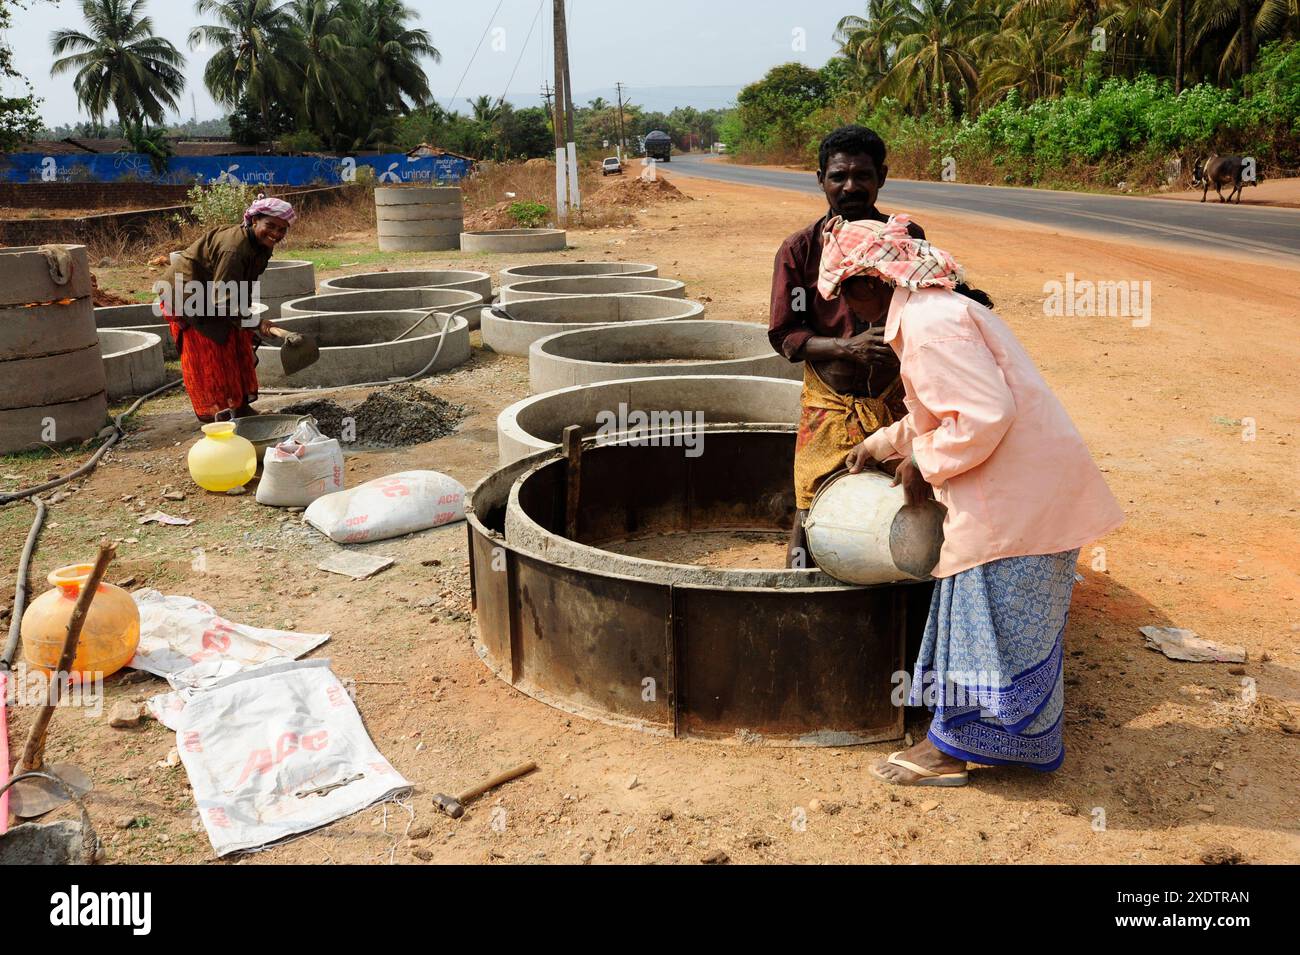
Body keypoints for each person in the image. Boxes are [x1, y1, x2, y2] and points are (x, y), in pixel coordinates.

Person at [818, 213, 1124, 786]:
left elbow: (983, 416)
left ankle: (950, 753)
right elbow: (946, 408)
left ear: (871, 282)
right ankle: (1000, 743)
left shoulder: (931, 325)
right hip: (1027, 495)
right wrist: (881, 442)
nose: (850, 309)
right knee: (1003, 626)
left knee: (988, 626)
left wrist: (922, 463)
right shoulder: (934, 313)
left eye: (848, 293)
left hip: (1014, 504)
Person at [769, 125, 989, 568]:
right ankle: (797, 586)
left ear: (882, 176)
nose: (850, 186)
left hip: (896, 396)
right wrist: (844, 348)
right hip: (831, 399)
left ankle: (915, 587)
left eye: (861, 175)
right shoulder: (799, 250)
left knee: (911, 492)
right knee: (812, 495)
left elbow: (934, 294)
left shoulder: (904, 235)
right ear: (820, 179)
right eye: (838, 176)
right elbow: (784, 333)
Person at [157, 196, 296, 422]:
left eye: (282, 229)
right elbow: (224, 301)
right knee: (212, 356)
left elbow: (239, 286)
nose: (276, 234)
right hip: (188, 298)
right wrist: (256, 323)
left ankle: (241, 410)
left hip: (213, 295)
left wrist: (247, 319)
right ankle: (218, 416)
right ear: (254, 221)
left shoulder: (260, 245)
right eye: (270, 226)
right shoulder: (235, 249)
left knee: (237, 348)